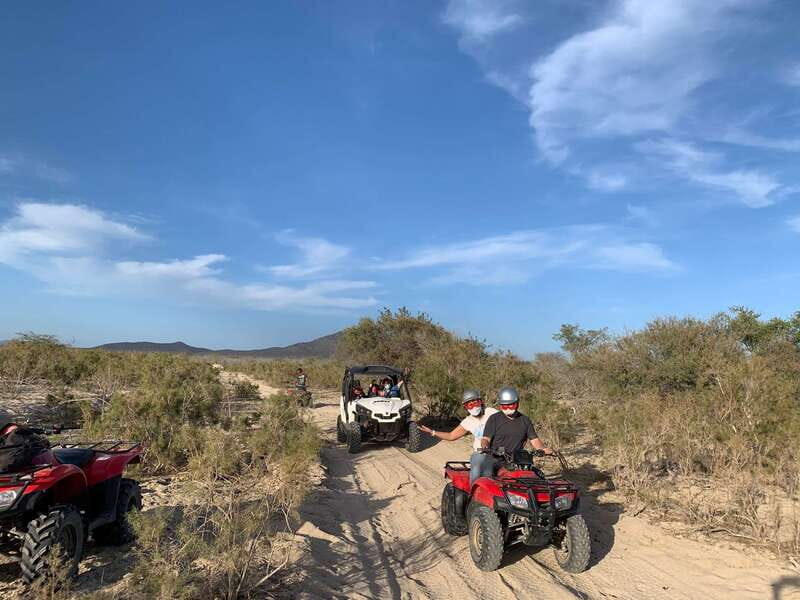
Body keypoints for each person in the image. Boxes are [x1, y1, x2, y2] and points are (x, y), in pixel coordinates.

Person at [419, 389, 499, 486]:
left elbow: (505, 423)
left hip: (500, 451)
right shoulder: (468, 421)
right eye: (469, 405)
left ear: (480, 401)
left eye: (475, 403)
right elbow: (451, 435)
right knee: (479, 468)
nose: (474, 407)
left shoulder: (491, 412)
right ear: (466, 407)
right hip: (481, 453)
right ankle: (473, 493)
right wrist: (433, 432)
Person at [476, 386, 553, 481]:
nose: (508, 408)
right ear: (500, 405)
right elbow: (486, 439)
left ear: (517, 404)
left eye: (511, 405)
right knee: (487, 478)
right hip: (496, 458)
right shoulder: (494, 419)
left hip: (518, 461)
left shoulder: (525, 420)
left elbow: (535, 440)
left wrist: (543, 449)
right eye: (504, 406)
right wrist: (486, 448)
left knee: (538, 477)